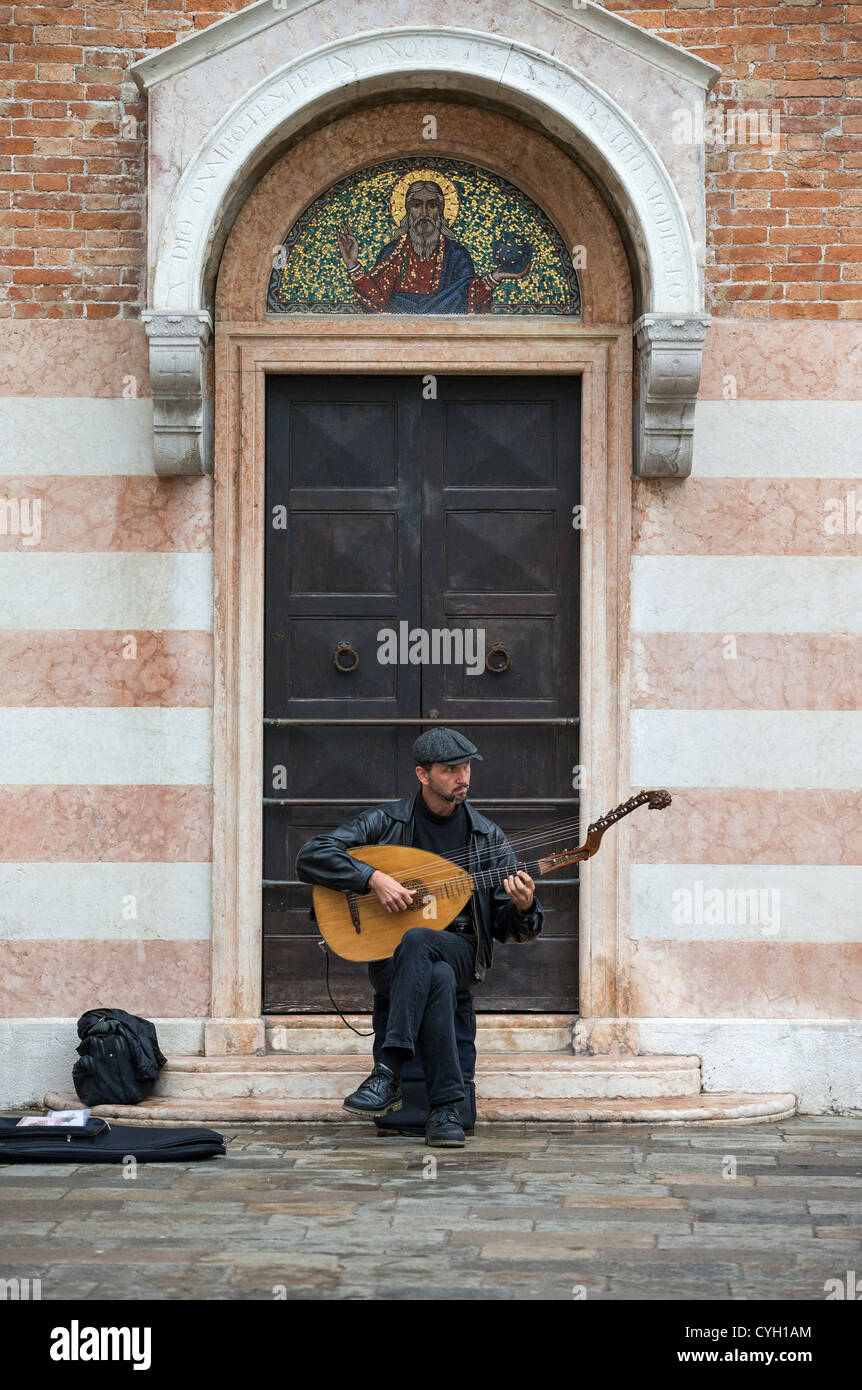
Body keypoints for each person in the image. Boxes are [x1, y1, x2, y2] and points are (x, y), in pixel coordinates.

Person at [294, 728, 544, 1147]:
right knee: (433, 972)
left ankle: (387, 1074)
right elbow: (312, 855)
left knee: (421, 942)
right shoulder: (386, 822)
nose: (463, 777)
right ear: (423, 775)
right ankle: (446, 1109)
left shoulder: (487, 837)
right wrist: (371, 877)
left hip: (463, 948)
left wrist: (523, 907)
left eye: (466, 767)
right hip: (395, 957)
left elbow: (507, 928)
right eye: (450, 769)